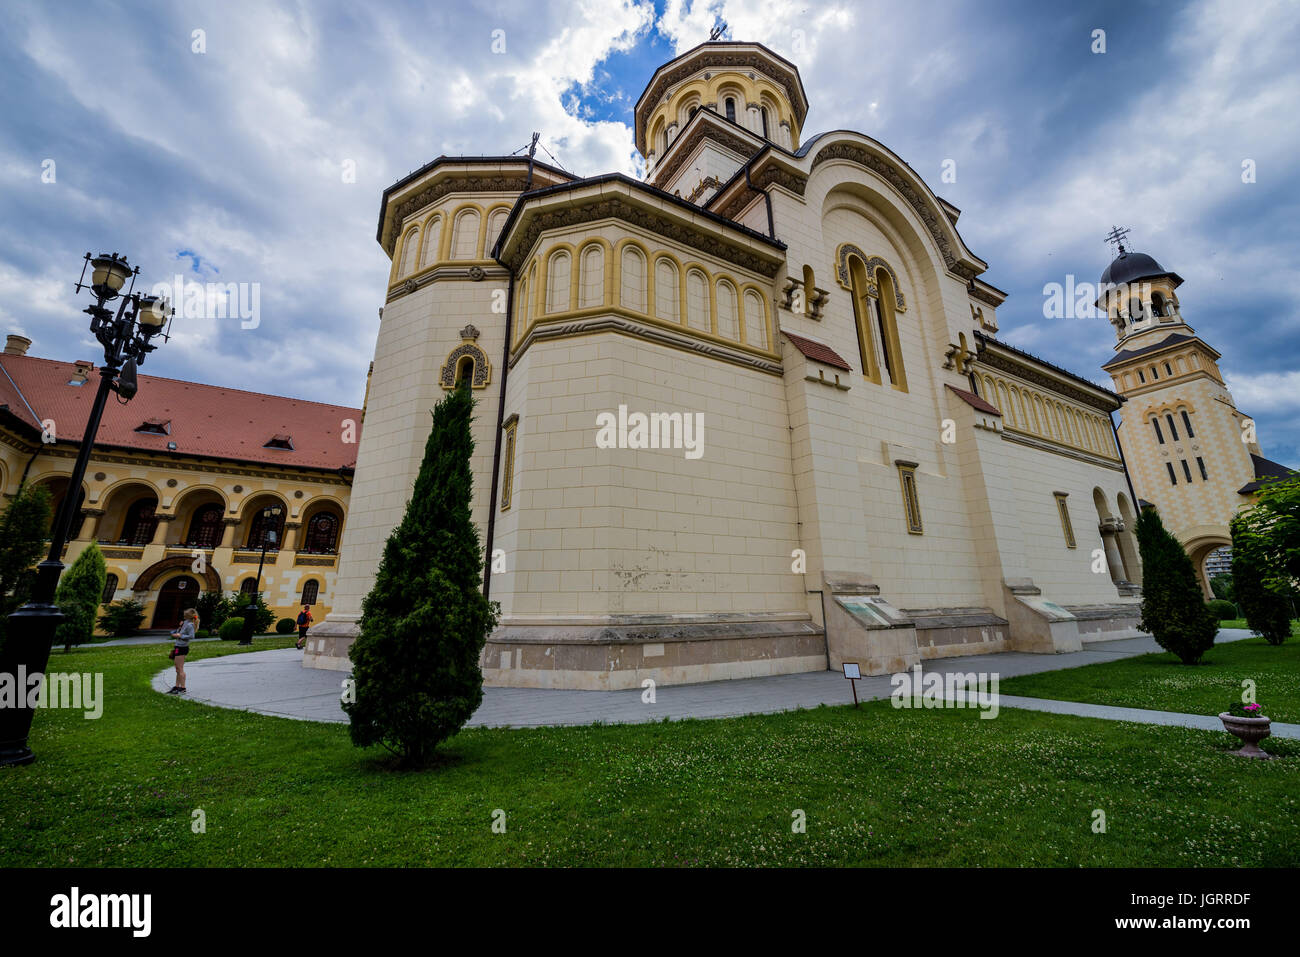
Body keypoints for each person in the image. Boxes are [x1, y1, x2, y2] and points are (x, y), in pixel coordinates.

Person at [167, 607, 198, 695]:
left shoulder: (190, 625)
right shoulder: (184, 623)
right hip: (177, 646)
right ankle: (176, 686)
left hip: (182, 648)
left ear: (188, 616)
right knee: (177, 668)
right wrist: (179, 628)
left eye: (185, 615)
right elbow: (179, 632)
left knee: (180, 669)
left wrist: (180, 636)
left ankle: (183, 688)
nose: (184, 616)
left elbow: (191, 636)